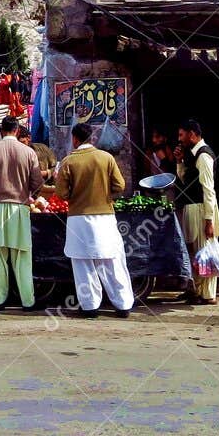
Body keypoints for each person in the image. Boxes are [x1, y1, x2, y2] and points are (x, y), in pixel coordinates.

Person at [53, 122, 134, 317]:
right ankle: (122, 305)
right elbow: (120, 185)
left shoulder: (68, 162)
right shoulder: (105, 158)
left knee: (83, 264)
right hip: (105, 218)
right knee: (112, 261)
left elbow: (62, 193)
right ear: (92, 138)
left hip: (78, 221)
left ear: (75, 139)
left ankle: (89, 307)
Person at [0, 115, 43, 310]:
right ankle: (28, 302)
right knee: (22, 255)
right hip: (19, 208)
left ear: (2, 130)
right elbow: (37, 182)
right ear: (17, 131)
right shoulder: (28, 152)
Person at [174, 119, 219, 304]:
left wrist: (209, 220)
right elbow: (185, 179)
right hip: (192, 208)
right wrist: (179, 162)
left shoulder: (203, 155)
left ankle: (208, 295)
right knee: (196, 253)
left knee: (205, 252)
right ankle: (196, 290)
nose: (180, 139)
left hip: (202, 209)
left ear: (192, 134)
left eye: (181, 135)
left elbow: (209, 190)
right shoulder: (192, 155)